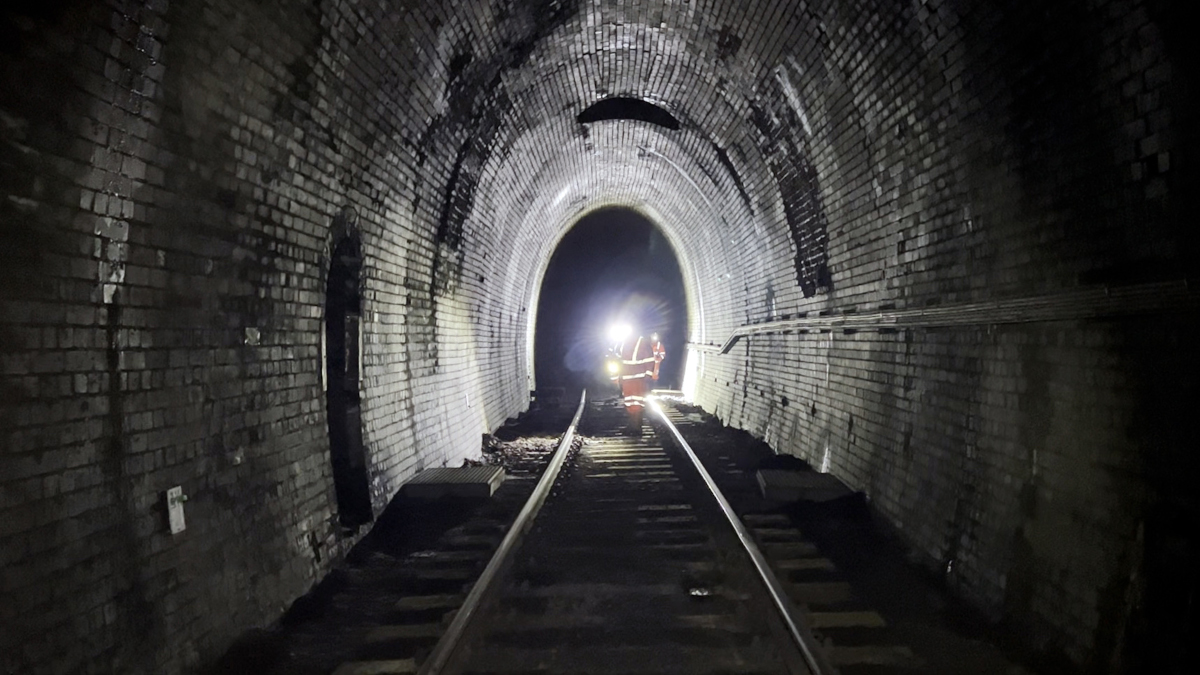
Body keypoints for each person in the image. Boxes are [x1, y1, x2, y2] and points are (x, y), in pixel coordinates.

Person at [610, 331, 663, 434]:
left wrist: (647, 377)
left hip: (637, 379)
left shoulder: (642, 343)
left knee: (636, 403)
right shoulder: (621, 344)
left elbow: (649, 361)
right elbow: (614, 361)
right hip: (627, 379)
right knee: (630, 402)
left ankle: (636, 427)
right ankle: (633, 426)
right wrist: (615, 377)